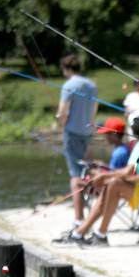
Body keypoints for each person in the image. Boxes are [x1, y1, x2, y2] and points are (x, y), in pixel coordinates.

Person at [53, 116, 133, 246]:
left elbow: (114, 176)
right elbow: (115, 171)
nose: (105, 137)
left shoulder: (120, 153)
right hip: (112, 184)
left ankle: (79, 222)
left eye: (107, 134)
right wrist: (102, 165)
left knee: (76, 182)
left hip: (112, 188)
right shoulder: (122, 149)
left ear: (114, 134)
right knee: (77, 181)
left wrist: (97, 171)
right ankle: (80, 225)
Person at [57, 54, 98, 229]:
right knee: (87, 172)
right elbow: (94, 110)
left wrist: (61, 122)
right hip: (88, 133)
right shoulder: (92, 85)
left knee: (76, 176)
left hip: (72, 133)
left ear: (66, 69)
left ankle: (79, 219)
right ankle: (93, 208)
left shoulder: (68, 85)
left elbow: (62, 112)